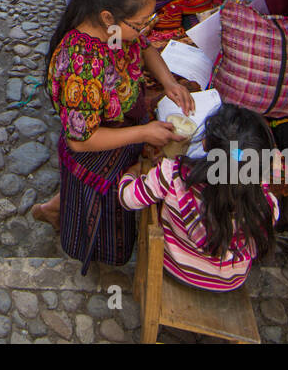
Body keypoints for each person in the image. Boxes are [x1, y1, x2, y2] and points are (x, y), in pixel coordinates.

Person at [33, 0, 194, 273]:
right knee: (101, 223)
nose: (144, 31)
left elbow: (145, 49)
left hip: (122, 129)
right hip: (98, 147)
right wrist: (144, 133)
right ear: (108, 17)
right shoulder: (82, 64)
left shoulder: (118, 33)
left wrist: (170, 82)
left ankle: (54, 207)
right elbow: (82, 141)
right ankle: (61, 220)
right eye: (139, 24)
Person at [118, 104, 278, 291]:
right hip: (229, 282)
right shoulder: (263, 203)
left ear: (205, 144)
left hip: (176, 269)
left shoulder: (173, 174)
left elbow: (126, 198)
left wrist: (133, 173)